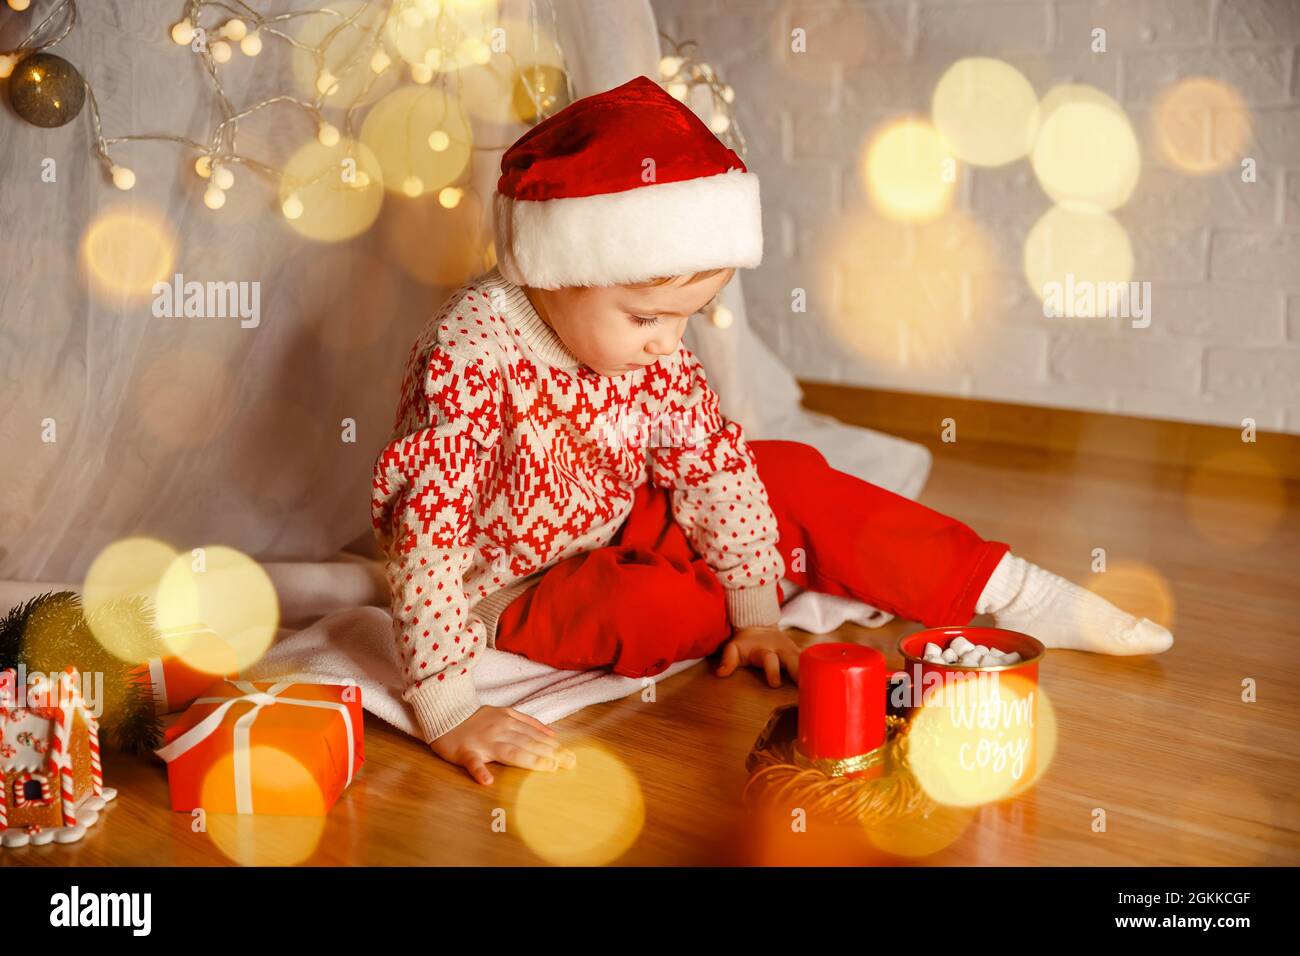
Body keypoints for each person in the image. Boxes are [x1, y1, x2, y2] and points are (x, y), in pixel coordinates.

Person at [371, 76, 1172, 787]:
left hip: (621, 514)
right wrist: (447, 706)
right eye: (647, 317)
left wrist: (757, 610)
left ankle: (1009, 591)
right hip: (522, 584)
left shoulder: (650, 344)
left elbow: (710, 464)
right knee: (652, 614)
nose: (665, 342)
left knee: (779, 468)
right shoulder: (469, 354)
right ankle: (784, 574)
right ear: (556, 271)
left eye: (684, 319)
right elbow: (428, 533)